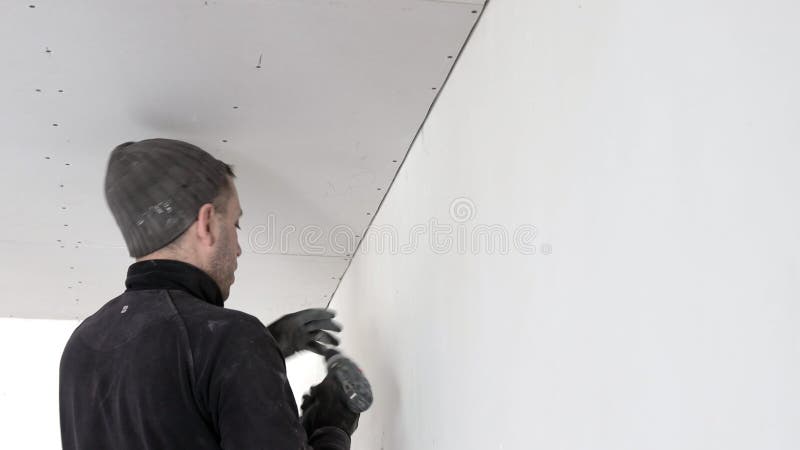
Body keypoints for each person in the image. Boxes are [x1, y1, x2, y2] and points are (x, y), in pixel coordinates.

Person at [59, 138, 361, 449]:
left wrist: (262, 350)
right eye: (235, 223)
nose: (239, 248)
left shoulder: (81, 348)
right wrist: (329, 424)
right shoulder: (231, 338)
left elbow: (171, 407)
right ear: (206, 223)